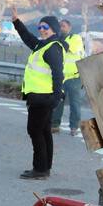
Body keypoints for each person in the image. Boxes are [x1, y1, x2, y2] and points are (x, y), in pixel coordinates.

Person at [10, 12, 64, 180]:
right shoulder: (42, 46)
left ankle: (40, 169)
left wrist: (56, 96)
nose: (42, 30)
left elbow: (58, 74)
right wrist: (17, 22)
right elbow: (28, 38)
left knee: (35, 131)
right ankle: (44, 167)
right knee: (44, 131)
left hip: (43, 97)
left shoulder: (52, 48)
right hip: (40, 97)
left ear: (54, 30)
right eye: (40, 27)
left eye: (45, 27)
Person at [52, 19, 85, 136]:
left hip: (74, 77)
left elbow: (69, 48)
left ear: (69, 27)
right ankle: (55, 125)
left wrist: (57, 40)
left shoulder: (75, 38)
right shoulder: (57, 39)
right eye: (59, 26)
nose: (61, 28)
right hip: (61, 77)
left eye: (63, 26)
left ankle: (74, 127)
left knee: (74, 103)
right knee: (58, 102)